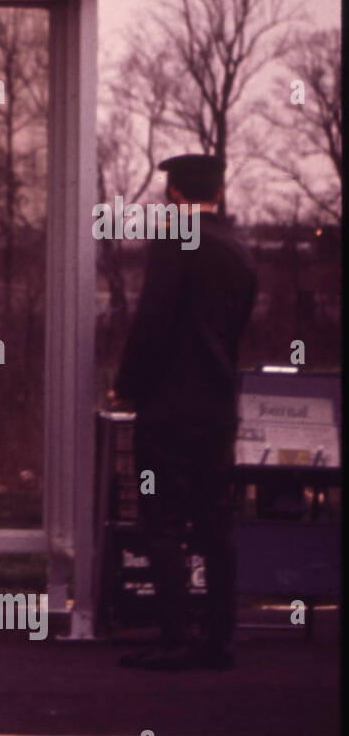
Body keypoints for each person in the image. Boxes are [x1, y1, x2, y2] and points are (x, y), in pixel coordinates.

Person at [113, 153, 257, 671]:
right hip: (217, 409)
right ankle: (220, 638)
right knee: (216, 524)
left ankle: (173, 637)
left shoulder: (176, 243)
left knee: (164, 521)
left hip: (169, 411)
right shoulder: (239, 250)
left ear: (174, 195)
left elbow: (152, 322)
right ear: (217, 192)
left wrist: (126, 384)